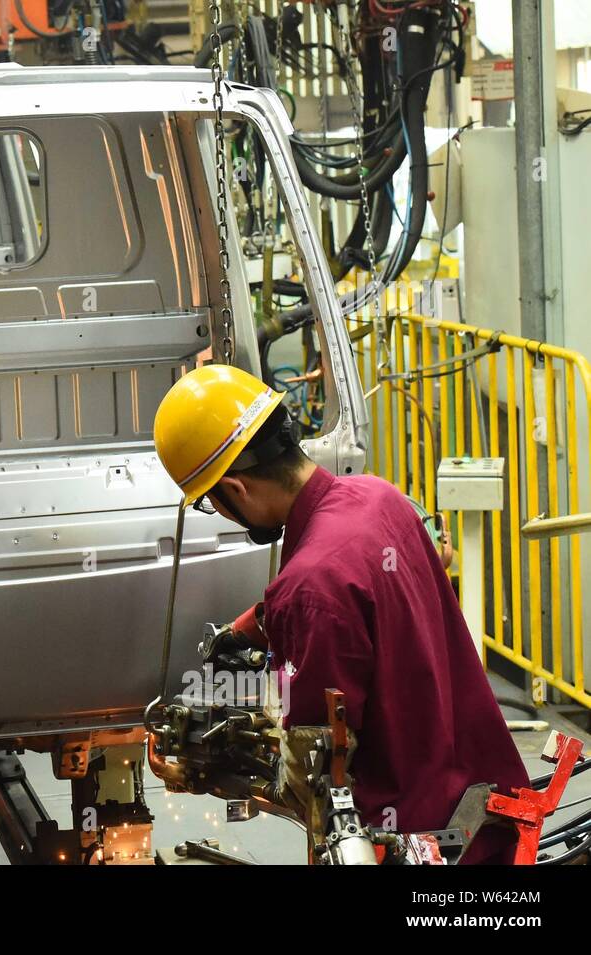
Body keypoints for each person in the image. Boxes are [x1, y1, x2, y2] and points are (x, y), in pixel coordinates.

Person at [152, 363, 528, 864]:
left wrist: (209, 766)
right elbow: (359, 584)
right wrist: (251, 629)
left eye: (210, 502)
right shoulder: (379, 497)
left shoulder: (309, 587)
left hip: (416, 841)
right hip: (490, 810)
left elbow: (314, 776)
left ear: (235, 489)